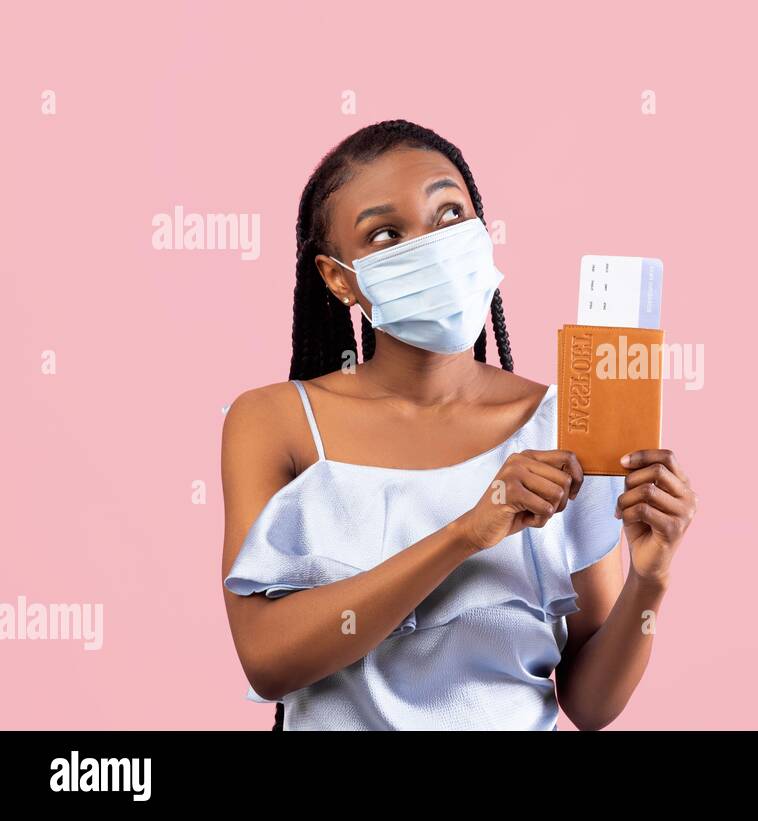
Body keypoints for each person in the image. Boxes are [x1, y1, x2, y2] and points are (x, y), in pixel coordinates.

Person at [219, 119, 697, 730]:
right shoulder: (275, 422)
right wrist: (468, 531)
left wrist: (651, 580)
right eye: (386, 234)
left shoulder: (563, 425)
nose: (430, 246)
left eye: (449, 215)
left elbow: (589, 704)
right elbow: (266, 661)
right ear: (339, 278)